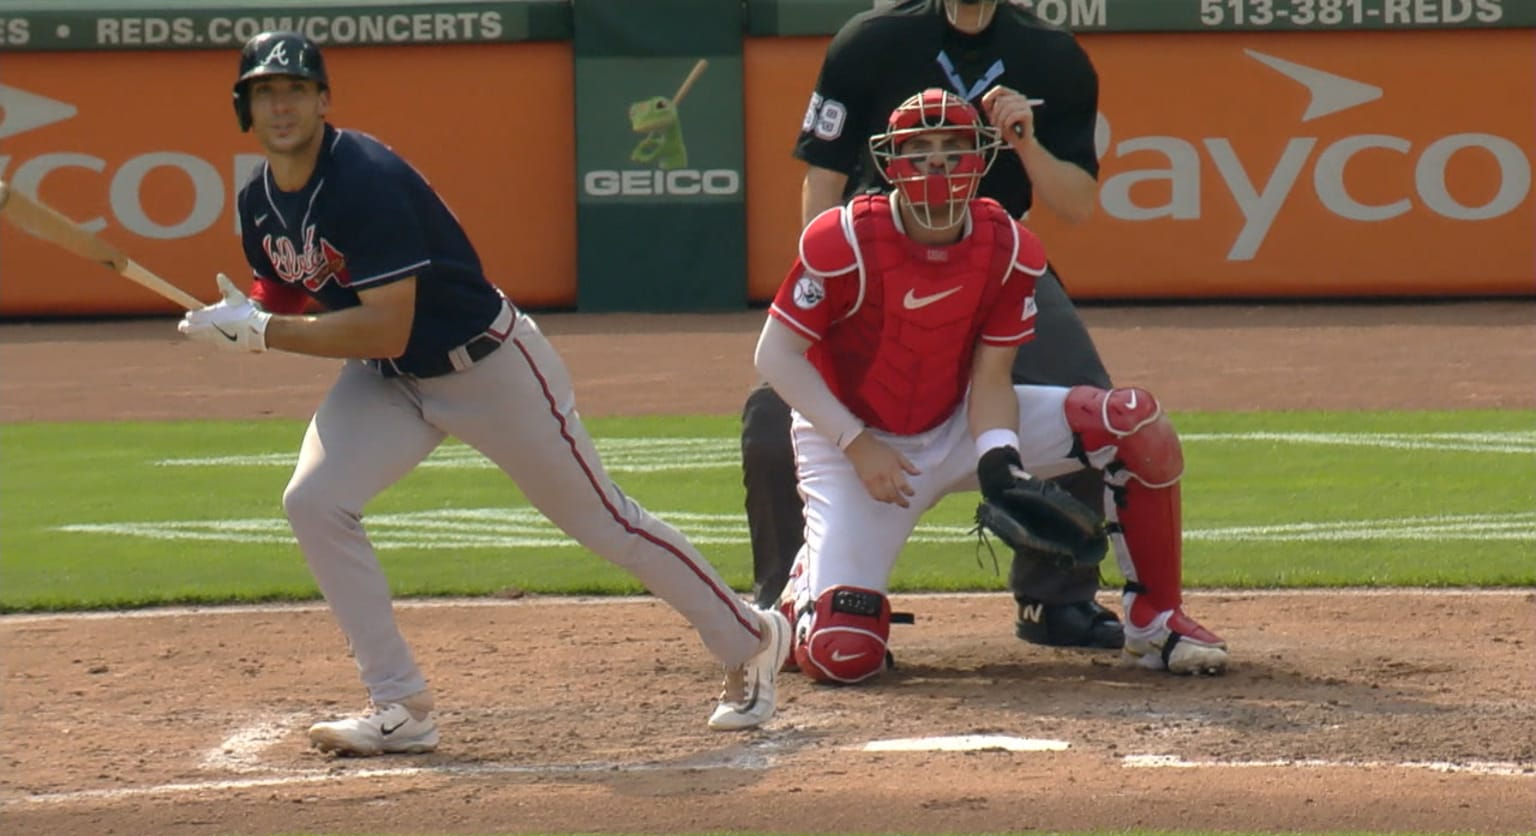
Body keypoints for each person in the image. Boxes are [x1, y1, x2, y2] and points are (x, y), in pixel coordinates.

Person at [177, 31, 790, 757]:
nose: (281, 105)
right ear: (243, 108)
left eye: (295, 90)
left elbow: (384, 325)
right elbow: (284, 291)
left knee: (605, 522)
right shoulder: (259, 201)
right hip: (392, 382)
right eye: (264, 93)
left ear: (323, 100)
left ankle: (752, 638)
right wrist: (239, 316)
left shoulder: (363, 177)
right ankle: (400, 704)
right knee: (313, 501)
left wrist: (264, 333)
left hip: (487, 367)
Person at [756, 87, 1227, 685]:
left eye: (952, 148)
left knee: (1133, 424)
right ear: (891, 160)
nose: (936, 163)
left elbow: (992, 375)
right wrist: (856, 443)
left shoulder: (1006, 247)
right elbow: (775, 356)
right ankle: (805, 595)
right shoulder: (842, 238)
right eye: (920, 148)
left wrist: (999, 459)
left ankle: (1156, 622)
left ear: (980, 157)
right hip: (855, 445)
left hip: (954, 420)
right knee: (842, 656)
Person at [742, 0, 1123, 649]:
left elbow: (1078, 204)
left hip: (996, 256)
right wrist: (825, 283)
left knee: (1084, 395)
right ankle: (786, 597)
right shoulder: (873, 40)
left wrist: (1024, 140)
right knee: (778, 412)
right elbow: (825, 177)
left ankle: (1054, 597)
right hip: (878, 251)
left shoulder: (1050, 53)